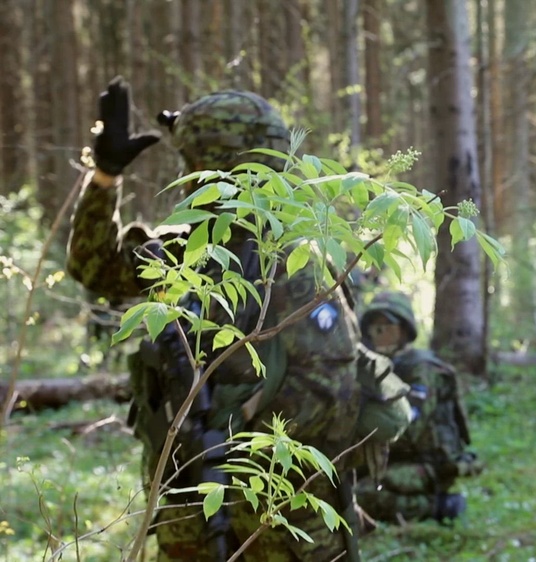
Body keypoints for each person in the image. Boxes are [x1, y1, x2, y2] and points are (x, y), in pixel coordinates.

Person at [67, 77, 381, 561]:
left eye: (191, 162)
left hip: (279, 521)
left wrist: (231, 446)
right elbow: (95, 268)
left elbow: (332, 398)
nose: (186, 174)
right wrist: (104, 178)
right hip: (189, 508)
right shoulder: (185, 250)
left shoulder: (295, 263)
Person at [355, 291, 483, 526]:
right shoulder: (375, 367)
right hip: (393, 458)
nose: (381, 334)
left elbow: (409, 428)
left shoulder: (421, 368)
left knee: (361, 495)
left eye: (388, 327)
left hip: (428, 464)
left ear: (404, 331)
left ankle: (441, 506)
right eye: (375, 327)